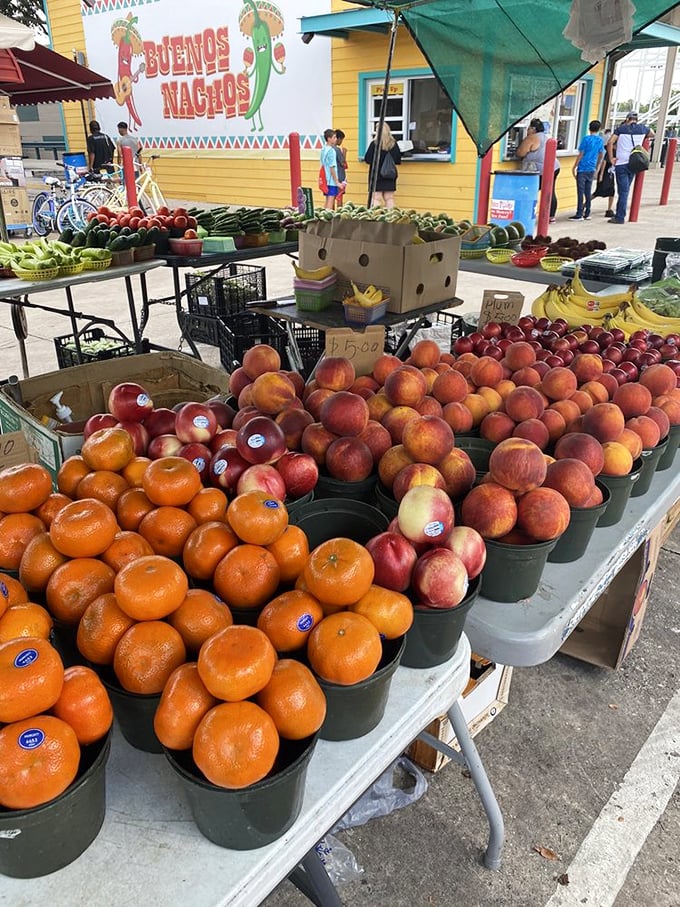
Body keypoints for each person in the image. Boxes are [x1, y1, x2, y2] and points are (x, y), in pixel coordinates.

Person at [606, 111, 655, 224]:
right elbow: (652, 133)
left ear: (627, 119)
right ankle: (621, 214)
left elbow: (610, 142)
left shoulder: (621, 129)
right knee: (626, 190)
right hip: (634, 163)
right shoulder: (642, 129)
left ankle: (620, 217)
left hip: (621, 162)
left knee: (623, 192)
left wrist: (611, 158)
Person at [515, 117, 560, 222]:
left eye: (529, 128)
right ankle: (551, 216)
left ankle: (527, 214)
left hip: (541, 170)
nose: (527, 130)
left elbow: (520, 153)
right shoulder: (546, 136)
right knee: (550, 191)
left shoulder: (531, 138)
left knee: (530, 191)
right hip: (554, 167)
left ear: (533, 129)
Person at [570, 120, 605, 220]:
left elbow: (581, 154)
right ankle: (587, 212)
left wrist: (575, 166)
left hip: (583, 167)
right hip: (592, 167)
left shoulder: (586, 139)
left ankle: (579, 213)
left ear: (589, 128)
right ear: (599, 129)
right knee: (588, 191)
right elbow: (601, 154)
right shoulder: (600, 140)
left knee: (580, 191)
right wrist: (597, 165)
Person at [364, 123, 401, 208]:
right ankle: (390, 217)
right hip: (390, 175)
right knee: (389, 198)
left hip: (376, 175)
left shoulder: (374, 144)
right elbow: (398, 159)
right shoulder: (393, 144)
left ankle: (376, 217)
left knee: (376, 198)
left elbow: (367, 159)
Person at [320, 128, 343, 211]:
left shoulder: (323, 149)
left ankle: (323, 218)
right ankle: (328, 220)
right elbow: (332, 167)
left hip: (325, 178)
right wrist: (337, 182)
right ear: (329, 139)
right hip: (331, 180)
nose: (336, 139)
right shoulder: (332, 151)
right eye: (334, 137)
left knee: (327, 200)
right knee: (330, 201)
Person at [334, 129, 348, 206]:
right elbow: (343, 163)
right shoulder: (337, 150)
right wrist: (344, 153)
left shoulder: (328, 148)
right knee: (339, 196)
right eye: (341, 139)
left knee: (331, 196)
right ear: (338, 138)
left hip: (331, 177)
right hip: (339, 176)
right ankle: (339, 211)